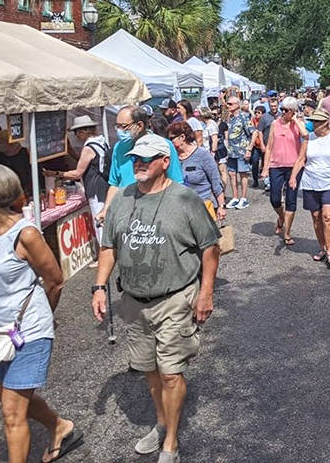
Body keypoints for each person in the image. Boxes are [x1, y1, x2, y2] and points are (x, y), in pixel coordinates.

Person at [92, 134, 220, 463]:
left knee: (170, 373)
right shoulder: (121, 198)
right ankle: (161, 422)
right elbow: (109, 248)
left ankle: (171, 443)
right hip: (133, 302)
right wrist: (98, 286)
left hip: (175, 298)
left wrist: (205, 293)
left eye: (147, 158)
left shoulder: (185, 199)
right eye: (135, 158)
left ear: (165, 162)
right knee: (149, 369)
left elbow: (210, 249)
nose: (139, 163)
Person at [0, 164, 81, 463]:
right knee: (15, 401)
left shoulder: (26, 234)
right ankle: (60, 427)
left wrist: (44, 317)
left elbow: (55, 280)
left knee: (11, 413)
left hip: (28, 333)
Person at [95, 106, 183, 225]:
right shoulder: (118, 148)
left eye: (124, 127)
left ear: (140, 125)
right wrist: (105, 210)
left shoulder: (164, 146)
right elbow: (115, 184)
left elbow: (176, 182)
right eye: (117, 126)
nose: (119, 131)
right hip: (126, 213)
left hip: (156, 214)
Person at [289, 109, 330, 269]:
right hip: (311, 182)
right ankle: (322, 247)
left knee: (328, 216)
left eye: (316, 122)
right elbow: (300, 160)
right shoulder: (308, 139)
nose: (313, 124)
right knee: (316, 217)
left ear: (325, 123)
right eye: (312, 121)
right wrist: (292, 178)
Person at [42, 115, 110, 259]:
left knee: (99, 223)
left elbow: (77, 173)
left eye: (76, 133)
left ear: (82, 132)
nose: (76, 136)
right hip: (104, 185)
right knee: (105, 220)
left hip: (95, 188)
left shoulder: (89, 147)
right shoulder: (101, 141)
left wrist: (55, 174)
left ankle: (104, 257)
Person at [261, 96, 308, 246]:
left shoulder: (297, 124)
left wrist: (295, 120)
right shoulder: (275, 123)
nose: (283, 112)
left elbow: (306, 135)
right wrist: (265, 167)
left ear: (293, 111)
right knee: (274, 198)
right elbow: (269, 147)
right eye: (282, 109)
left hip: (294, 166)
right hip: (276, 165)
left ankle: (287, 232)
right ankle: (281, 217)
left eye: (286, 110)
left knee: (291, 199)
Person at [169, 121, 226, 221]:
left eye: (171, 138)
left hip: (203, 207)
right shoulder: (172, 158)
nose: (169, 142)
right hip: (181, 209)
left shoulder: (203, 155)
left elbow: (216, 182)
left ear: (182, 137)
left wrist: (221, 206)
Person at [225, 96, 259, 210]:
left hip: (241, 151)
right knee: (232, 174)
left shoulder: (244, 117)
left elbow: (254, 133)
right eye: (227, 103)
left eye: (230, 104)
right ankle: (235, 197)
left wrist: (249, 149)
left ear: (237, 105)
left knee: (243, 174)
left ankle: (243, 198)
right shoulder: (230, 118)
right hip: (231, 151)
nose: (228, 106)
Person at [0, 130, 33, 197]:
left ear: (9, 143)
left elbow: (32, 175)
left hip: (22, 192)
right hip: (2, 192)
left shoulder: (25, 154)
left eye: (0, 142)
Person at [251, 105, 267, 188]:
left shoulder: (265, 121)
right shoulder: (253, 121)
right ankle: (255, 180)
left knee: (265, 164)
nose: (256, 114)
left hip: (264, 146)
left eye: (259, 113)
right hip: (256, 146)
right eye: (255, 112)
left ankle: (266, 182)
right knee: (255, 162)